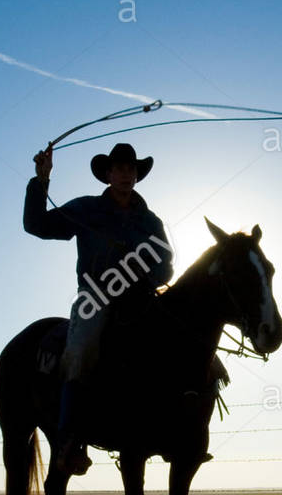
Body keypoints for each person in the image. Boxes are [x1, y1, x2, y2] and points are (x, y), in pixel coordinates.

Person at [25, 141, 173, 474]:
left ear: (137, 175)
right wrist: (41, 180)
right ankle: (68, 442)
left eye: (131, 169)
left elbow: (166, 268)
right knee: (81, 348)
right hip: (96, 298)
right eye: (119, 168)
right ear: (107, 174)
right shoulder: (87, 209)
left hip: (142, 299)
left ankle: (175, 431)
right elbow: (38, 225)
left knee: (182, 338)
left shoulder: (150, 222)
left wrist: (140, 272)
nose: (126, 174)